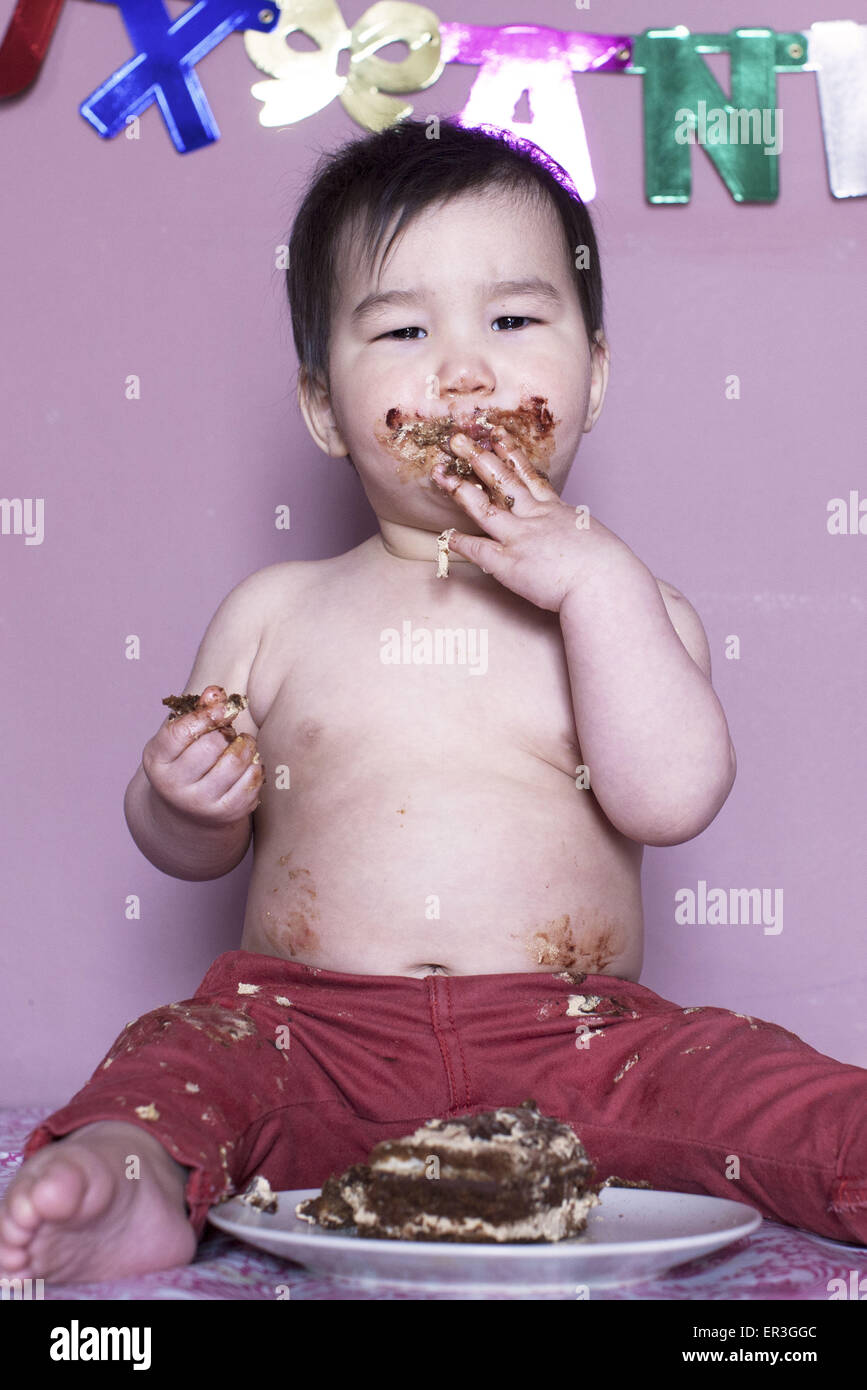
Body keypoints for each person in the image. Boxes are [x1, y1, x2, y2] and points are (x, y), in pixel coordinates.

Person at [2, 119, 864, 1282]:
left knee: (744, 1075)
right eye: (406, 330)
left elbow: (671, 799)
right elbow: (185, 853)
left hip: (579, 1043)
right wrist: (184, 801)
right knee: (174, 1063)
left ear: (595, 374)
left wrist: (590, 578)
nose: (465, 370)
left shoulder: (628, 605)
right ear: (323, 404)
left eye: (512, 321)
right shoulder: (276, 609)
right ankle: (128, 1183)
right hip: (306, 1031)